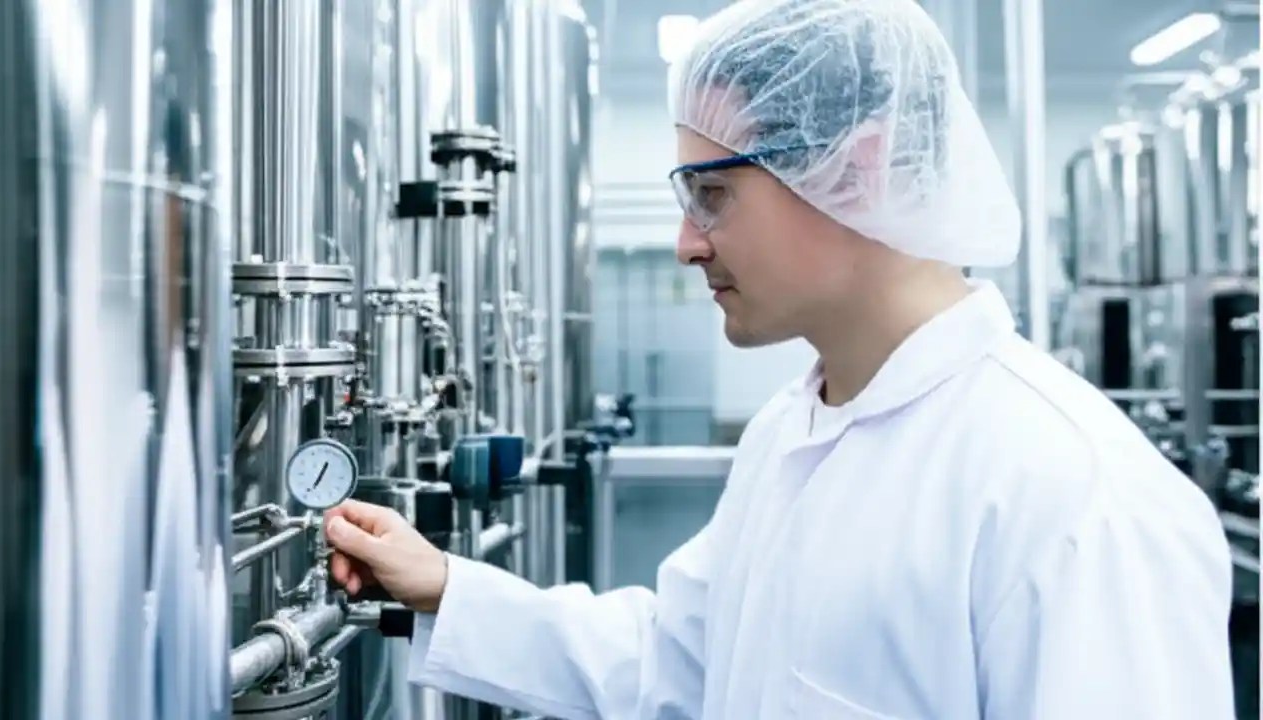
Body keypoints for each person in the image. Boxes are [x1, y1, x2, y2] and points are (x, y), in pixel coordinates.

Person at [324, 0, 1237, 717]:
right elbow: (686, 666)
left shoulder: (1072, 496)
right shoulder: (793, 430)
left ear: (858, 166)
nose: (687, 243)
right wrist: (446, 586)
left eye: (713, 194)